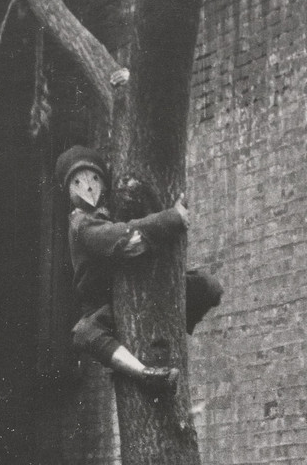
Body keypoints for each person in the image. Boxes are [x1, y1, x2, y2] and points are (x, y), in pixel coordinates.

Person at [54, 145, 222, 395]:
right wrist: (171, 218)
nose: (87, 187)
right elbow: (120, 235)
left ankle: (173, 322)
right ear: (68, 191)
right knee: (86, 333)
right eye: (77, 182)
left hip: (146, 290)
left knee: (208, 287)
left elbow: (133, 236)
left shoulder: (111, 211)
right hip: (103, 304)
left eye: (94, 179)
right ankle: (142, 372)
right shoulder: (82, 225)